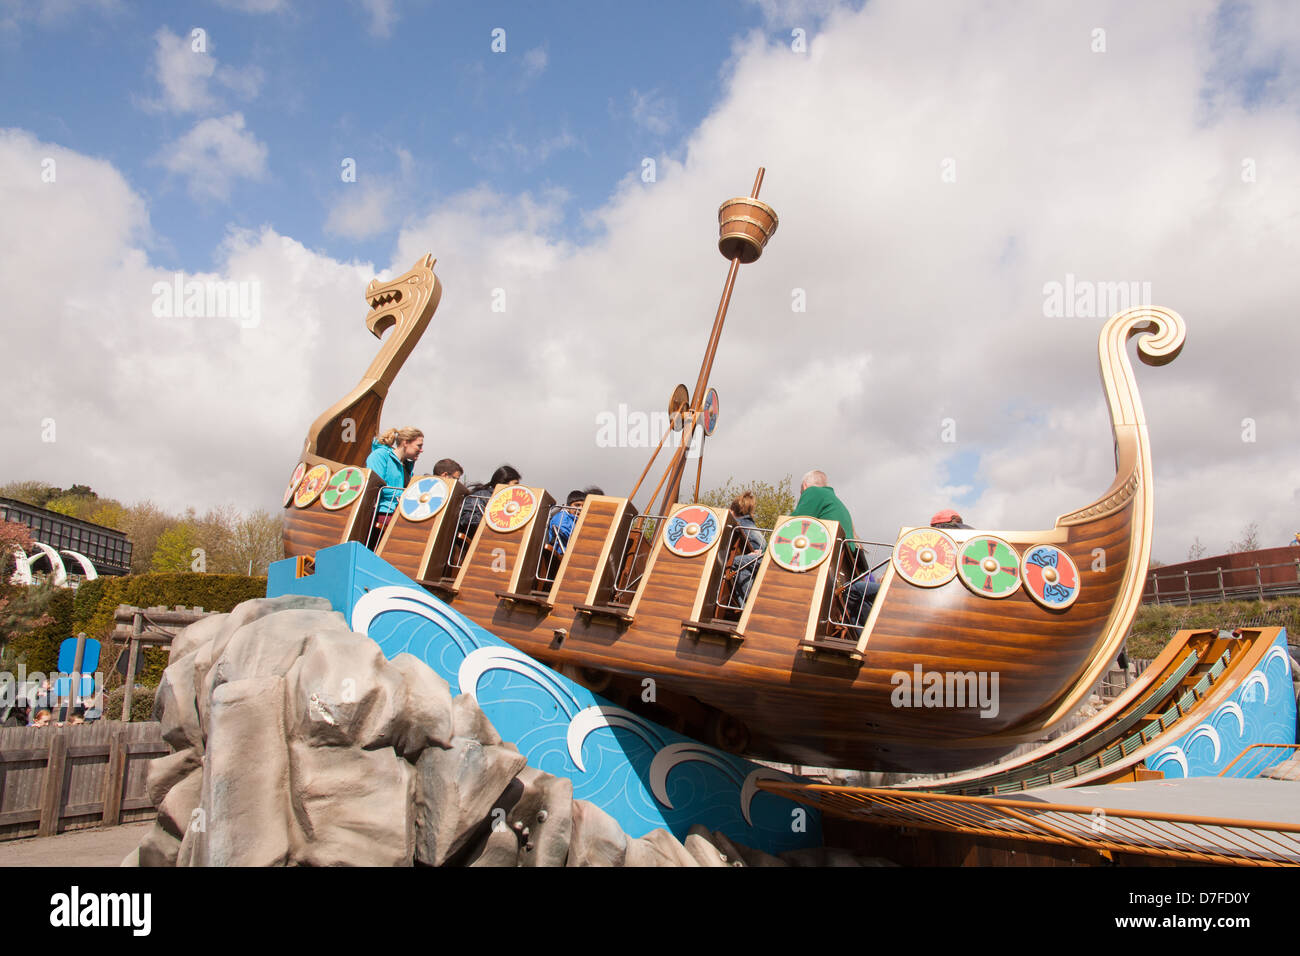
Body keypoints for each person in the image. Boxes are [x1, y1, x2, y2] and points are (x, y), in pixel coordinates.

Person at [792, 471, 873, 622]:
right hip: (839, 570)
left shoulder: (813, 493)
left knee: (748, 564)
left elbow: (793, 525)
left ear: (805, 486)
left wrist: (762, 552)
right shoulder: (839, 504)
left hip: (822, 566)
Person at [366, 427, 424, 545]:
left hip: (399, 513)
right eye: (419, 445)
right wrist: (404, 496)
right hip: (382, 512)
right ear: (405, 443)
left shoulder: (406, 466)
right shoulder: (380, 455)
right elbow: (374, 486)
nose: (421, 450)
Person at [457, 464, 522, 542]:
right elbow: (466, 518)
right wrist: (491, 522)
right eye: (515, 484)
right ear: (504, 482)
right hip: (478, 541)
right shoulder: (481, 496)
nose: (518, 487)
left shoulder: (511, 504)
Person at [729, 491, 767, 606]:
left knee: (736, 563)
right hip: (762, 556)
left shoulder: (739, 523)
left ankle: (749, 605)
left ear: (732, 510)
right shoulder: (750, 523)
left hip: (760, 558)